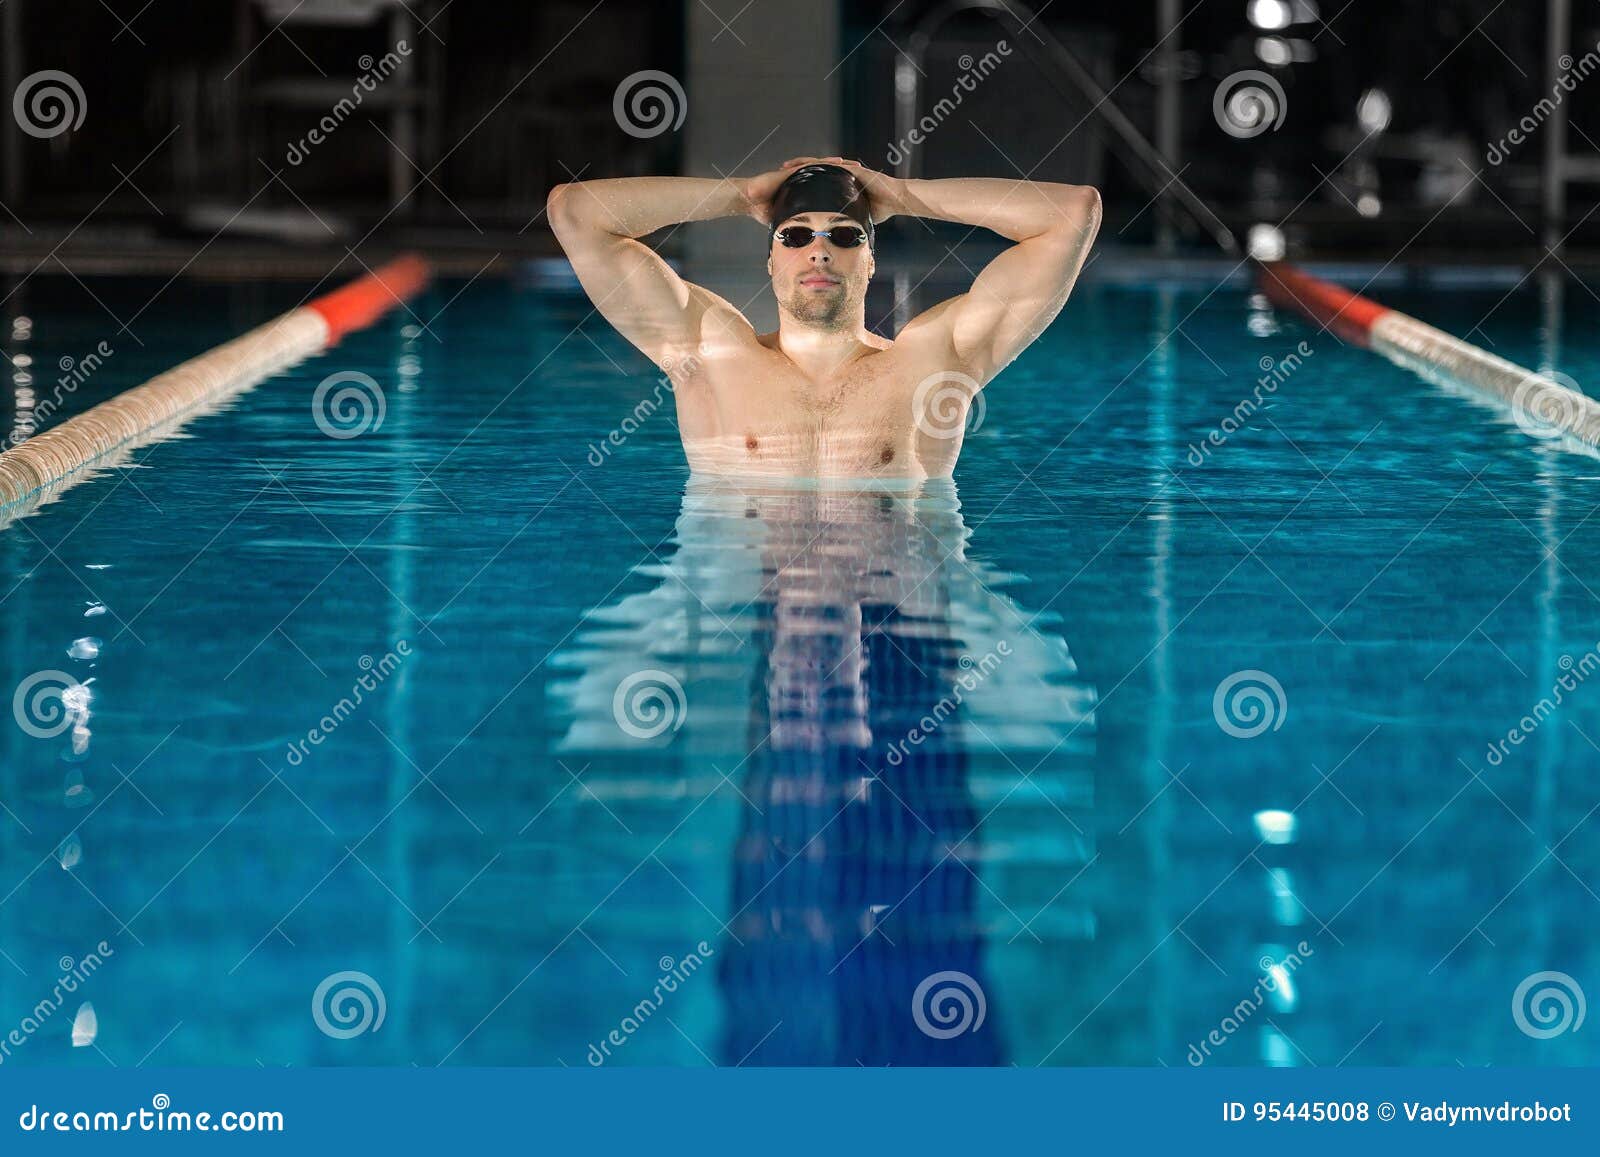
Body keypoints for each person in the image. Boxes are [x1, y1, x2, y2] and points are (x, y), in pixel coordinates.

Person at [547, 157, 1100, 478]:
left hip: (897, 608)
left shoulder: (934, 359)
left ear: (871, 259)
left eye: (844, 235)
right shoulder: (709, 353)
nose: (819, 252)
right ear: (770, 259)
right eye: (794, 236)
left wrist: (902, 194)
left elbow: (1072, 215)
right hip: (741, 607)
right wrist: (740, 194)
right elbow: (575, 213)